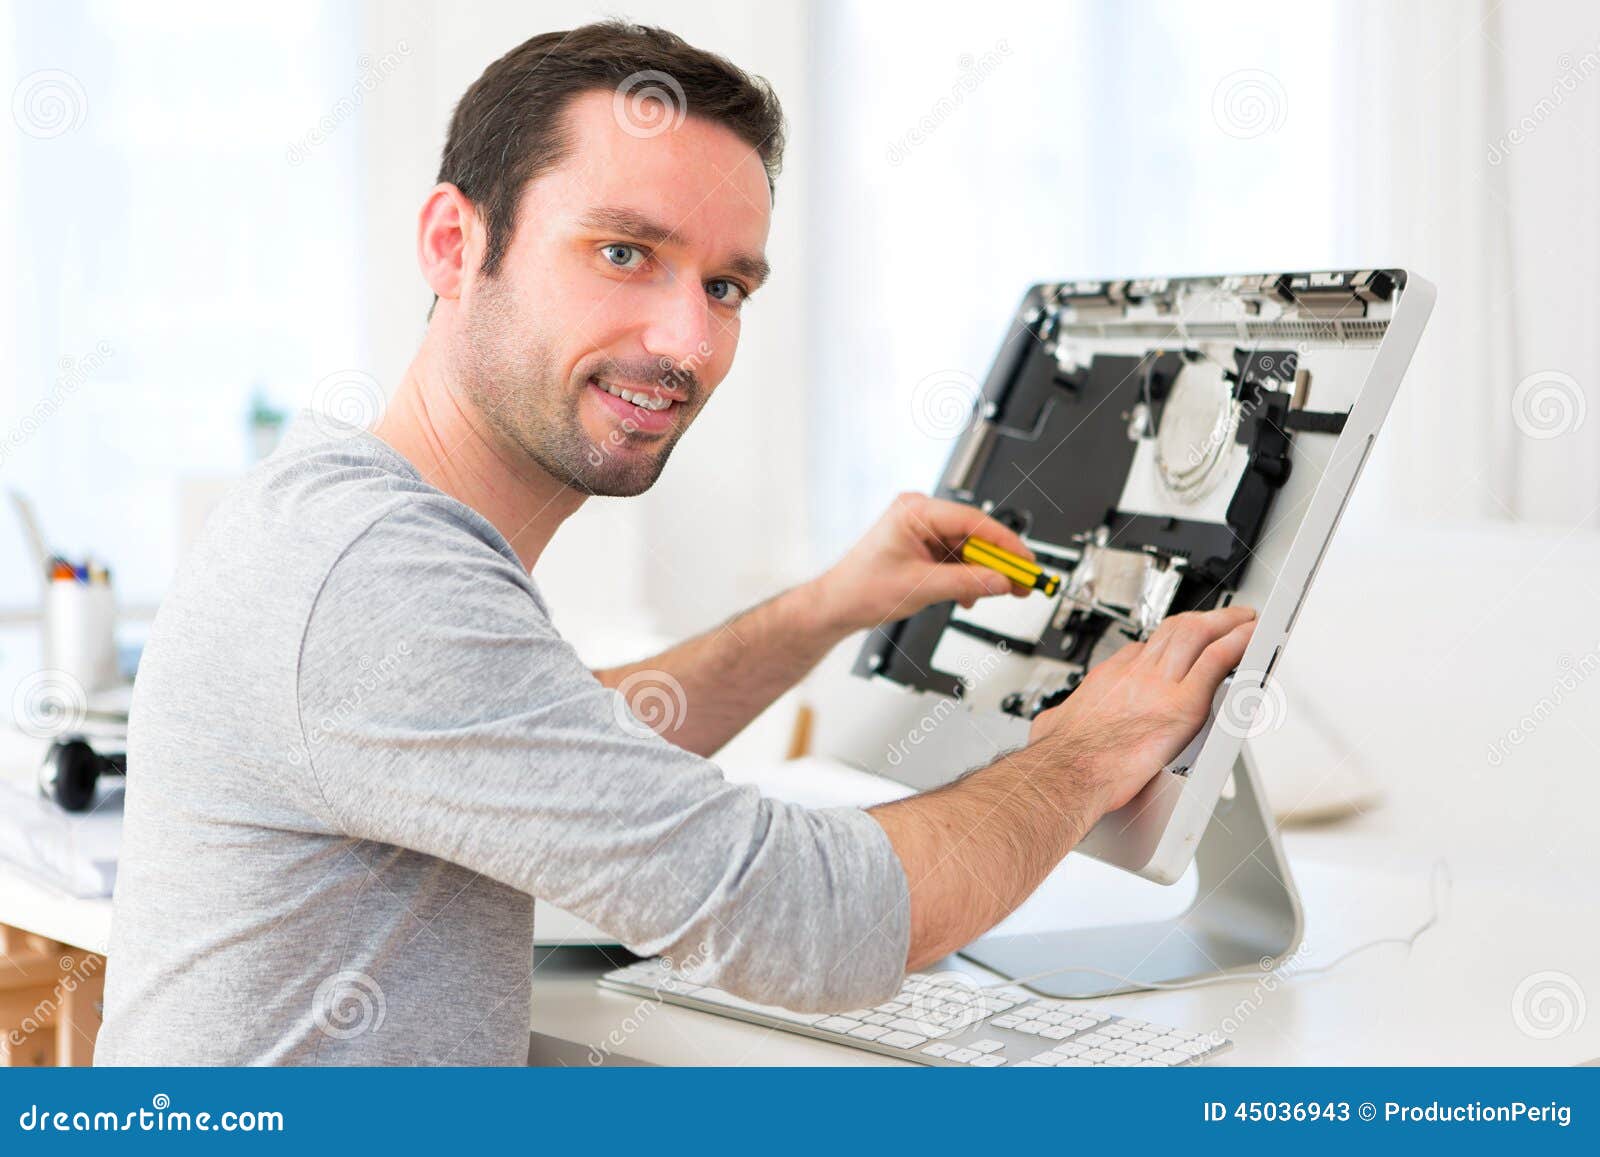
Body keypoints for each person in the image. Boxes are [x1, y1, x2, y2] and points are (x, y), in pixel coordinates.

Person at [96, 20, 1254, 1065]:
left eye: (726, 284)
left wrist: (827, 604)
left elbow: (575, 743)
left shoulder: (357, 519)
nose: (685, 339)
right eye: (621, 253)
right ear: (456, 243)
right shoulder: (373, 578)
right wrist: (1087, 748)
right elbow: (814, 921)